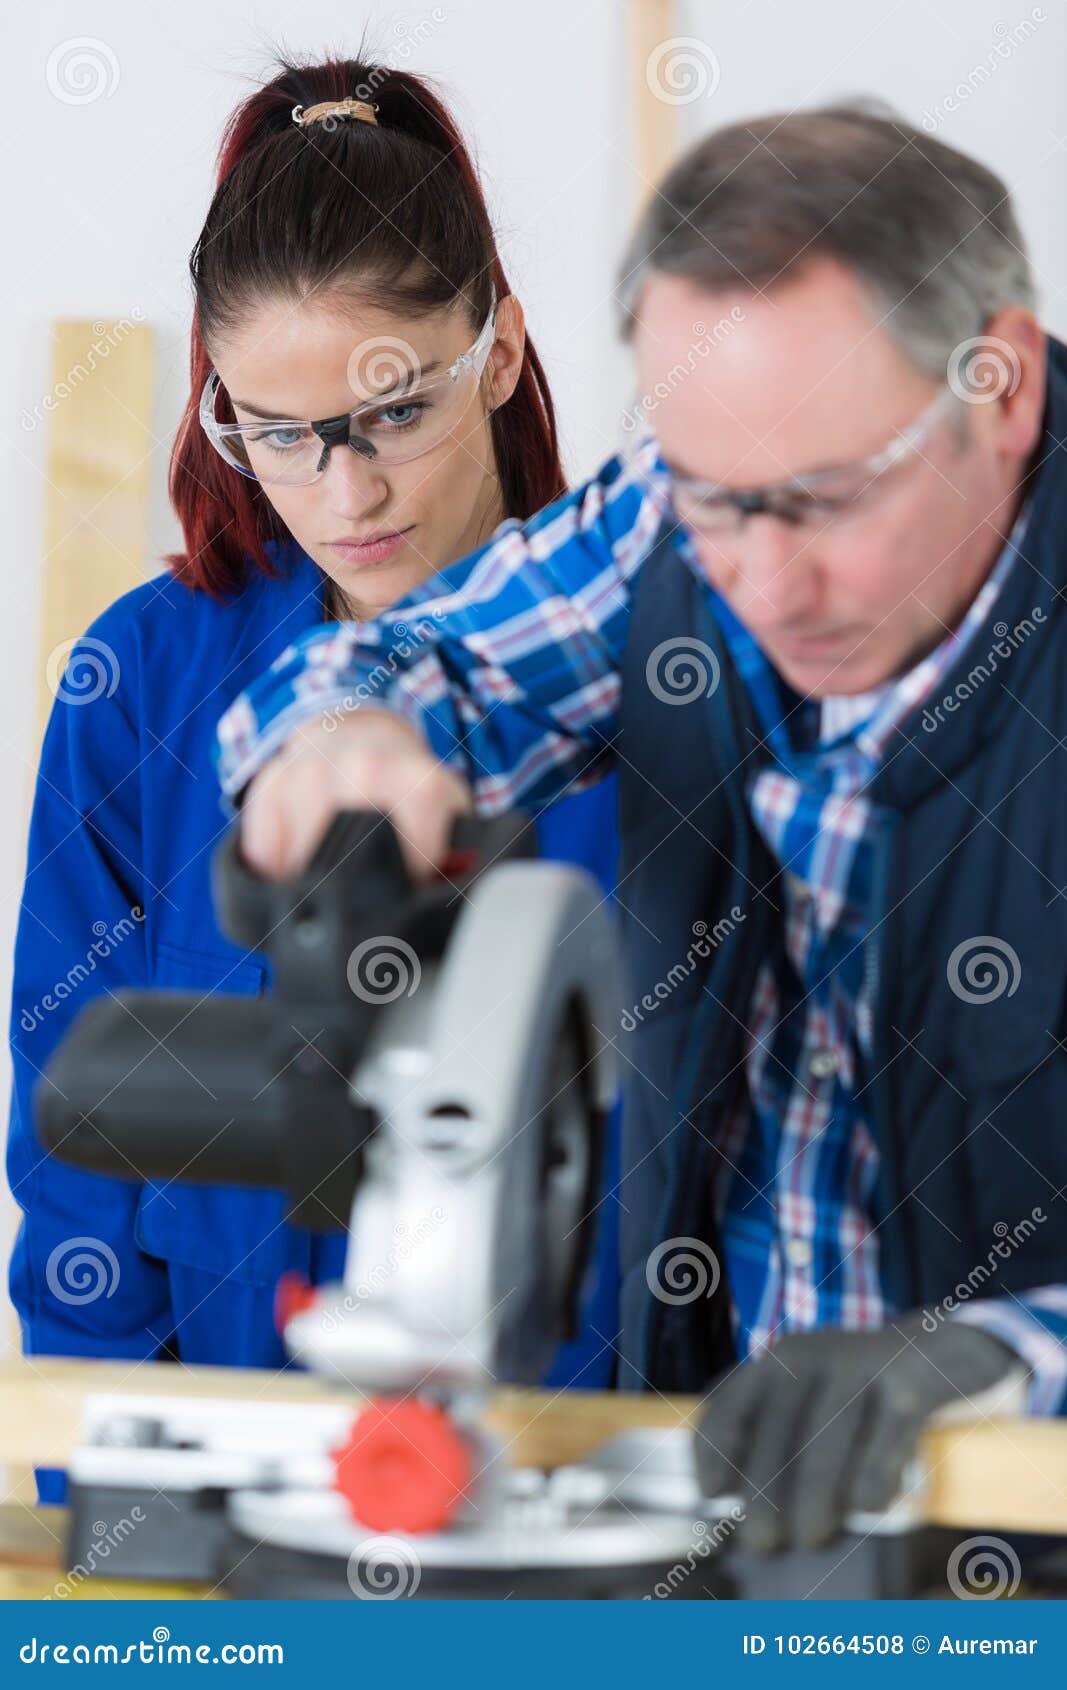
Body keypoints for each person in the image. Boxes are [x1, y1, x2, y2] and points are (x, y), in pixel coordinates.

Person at [214, 102, 1067, 1553]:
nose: (762, 580)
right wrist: (346, 733)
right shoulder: (686, 520)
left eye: (825, 501)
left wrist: (1014, 1354)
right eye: (712, 498)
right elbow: (423, 662)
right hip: (722, 1509)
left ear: (1001, 395)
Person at [6, 55, 621, 1508]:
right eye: (279, 433)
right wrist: (127, 1531)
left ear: (505, 351)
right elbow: (76, 1170)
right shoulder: (141, 684)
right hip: (239, 1515)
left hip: (594, 1517)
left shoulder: (656, 670)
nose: (349, 494)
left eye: (395, 411)